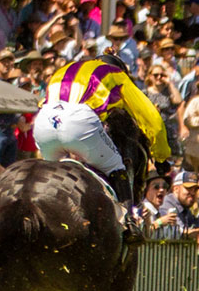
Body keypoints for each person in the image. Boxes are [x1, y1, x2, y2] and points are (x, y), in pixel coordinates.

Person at [34, 53, 173, 211]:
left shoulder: (66, 69)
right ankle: (127, 219)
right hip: (78, 121)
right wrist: (161, 157)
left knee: (50, 174)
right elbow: (151, 118)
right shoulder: (117, 75)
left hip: (44, 120)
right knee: (116, 165)